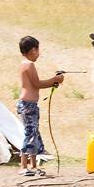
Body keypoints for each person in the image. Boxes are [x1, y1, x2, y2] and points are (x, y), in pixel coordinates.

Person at [17, 36, 64, 177]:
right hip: (28, 105)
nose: (39, 53)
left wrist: (53, 82)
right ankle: (23, 166)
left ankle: (33, 166)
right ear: (33, 50)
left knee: (34, 134)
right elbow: (37, 84)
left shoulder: (24, 64)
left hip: (29, 104)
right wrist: (55, 80)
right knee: (30, 133)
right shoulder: (29, 65)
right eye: (38, 50)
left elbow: (35, 84)